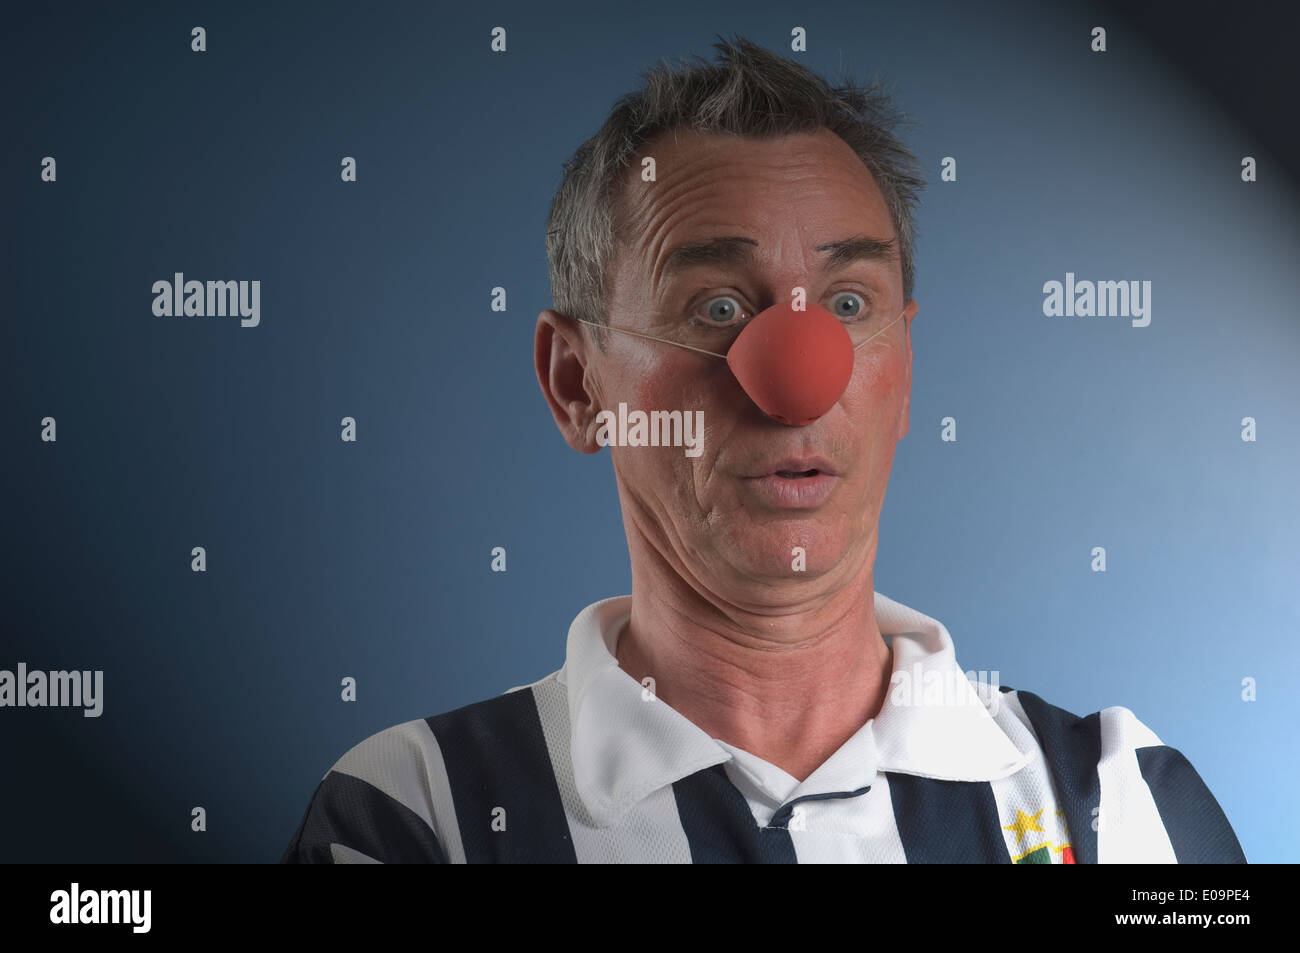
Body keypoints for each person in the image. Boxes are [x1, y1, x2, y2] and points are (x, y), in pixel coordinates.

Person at [281, 35, 1244, 864]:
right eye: (718, 306)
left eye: (849, 304)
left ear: (901, 374)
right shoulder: (419, 815)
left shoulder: (1123, 809)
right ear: (579, 385)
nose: (798, 378)